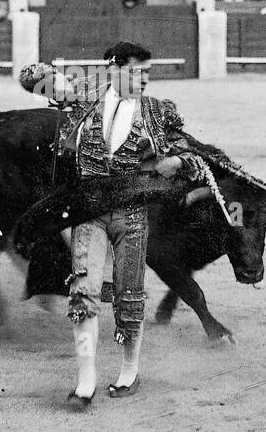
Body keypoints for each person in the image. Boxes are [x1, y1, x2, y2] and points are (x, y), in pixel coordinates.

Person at [52, 41, 201, 409]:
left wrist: (178, 163)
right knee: (83, 293)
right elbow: (28, 79)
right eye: (137, 72)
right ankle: (85, 382)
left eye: (148, 72)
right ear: (115, 70)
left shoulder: (158, 112)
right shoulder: (85, 101)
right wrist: (49, 79)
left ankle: (129, 370)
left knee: (128, 296)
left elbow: (194, 156)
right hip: (90, 212)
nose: (146, 79)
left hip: (132, 214)